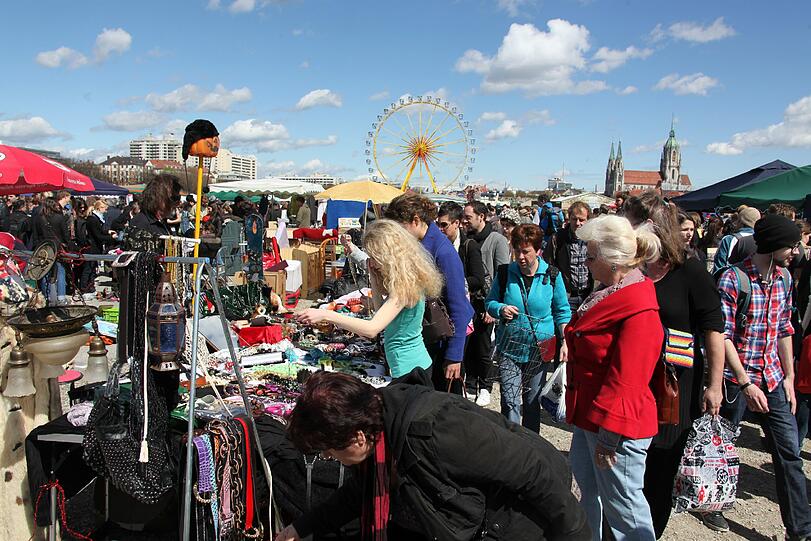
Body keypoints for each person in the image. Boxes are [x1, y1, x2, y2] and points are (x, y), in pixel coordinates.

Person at [274, 370, 591, 541]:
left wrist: (574, 535)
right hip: (473, 521)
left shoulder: (437, 431)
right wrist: (302, 527)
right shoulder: (376, 425)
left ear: (356, 437)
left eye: (328, 450)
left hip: (523, 522)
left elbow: (532, 471)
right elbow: (358, 492)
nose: (328, 458)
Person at [624, 194, 726, 537]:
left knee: (660, 468)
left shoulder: (690, 270)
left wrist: (714, 386)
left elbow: (714, 329)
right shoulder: (631, 269)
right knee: (630, 467)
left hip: (674, 387)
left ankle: (649, 532)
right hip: (633, 381)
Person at [564, 214, 663, 541]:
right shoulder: (613, 293)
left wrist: (609, 436)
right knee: (593, 495)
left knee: (624, 508)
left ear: (612, 260)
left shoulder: (637, 307)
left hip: (615, 426)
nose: (587, 263)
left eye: (591, 257)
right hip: (592, 417)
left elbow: (629, 379)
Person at [713, 214, 811, 539]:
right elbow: (722, 336)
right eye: (791, 245)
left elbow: (785, 328)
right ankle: (714, 505)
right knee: (723, 446)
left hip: (772, 379)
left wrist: (789, 378)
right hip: (735, 381)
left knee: (790, 455)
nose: (796, 252)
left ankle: (799, 530)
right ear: (772, 246)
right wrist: (744, 383)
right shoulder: (733, 279)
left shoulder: (783, 278)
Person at [295, 219, 442, 378]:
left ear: (388, 256)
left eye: (374, 257)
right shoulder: (405, 281)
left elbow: (372, 329)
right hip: (408, 365)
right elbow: (379, 312)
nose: (371, 261)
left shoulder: (404, 287)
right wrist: (373, 275)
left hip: (410, 369)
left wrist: (325, 315)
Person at [486, 224, 571, 432]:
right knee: (510, 400)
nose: (521, 256)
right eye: (517, 250)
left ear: (538, 250)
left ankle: (531, 445)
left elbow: (562, 311)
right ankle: (512, 444)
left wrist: (565, 341)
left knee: (532, 402)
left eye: (526, 251)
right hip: (510, 347)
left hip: (540, 350)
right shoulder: (506, 272)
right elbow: (490, 302)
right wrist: (500, 308)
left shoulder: (552, 275)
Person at [386, 193, 474, 393]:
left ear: (415, 221)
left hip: (442, 342)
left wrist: (454, 356)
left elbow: (460, 307)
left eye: (399, 228)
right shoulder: (419, 245)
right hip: (427, 338)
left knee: (444, 402)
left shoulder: (443, 252)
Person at [437, 202, 488, 403]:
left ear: (457, 224)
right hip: (442, 314)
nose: (440, 230)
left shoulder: (469, 246)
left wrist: (455, 281)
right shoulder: (437, 246)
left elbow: (479, 279)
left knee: (459, 359)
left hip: (463, 312)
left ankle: (459, 399)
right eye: (438, 225)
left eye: (444, 225)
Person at [463, 200, 510, 402]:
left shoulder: (496, 240)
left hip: (486, 302)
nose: (464, 221)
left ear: (481, 217)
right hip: (469, 300)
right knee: (470, 346)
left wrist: (493, 307)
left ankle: (486, 385)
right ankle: (471, 383)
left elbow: (502, 274)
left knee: (483, 347)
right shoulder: (466, 239)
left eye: (468, 217)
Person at [542, 201, 593, 311]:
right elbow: (548, 261)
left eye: (582, 220)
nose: (578, 223)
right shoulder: (558, 238)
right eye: (574, 219)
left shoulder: (593, 239)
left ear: (588, 220)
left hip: (589, 295)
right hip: (567, 296)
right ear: (569, 219)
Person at [34, 198, 71, 304]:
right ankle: (61, 296)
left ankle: (47, 296)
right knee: (60, 271)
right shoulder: (60, 218)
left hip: (44, 248)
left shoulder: (38, 218)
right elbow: (65, 235)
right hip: (58, 247)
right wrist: (69, 246)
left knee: (45, 272)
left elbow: (36, 235)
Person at [712, 206, 760, 274]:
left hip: (732, 280)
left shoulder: (729, 240)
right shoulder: (763, 240)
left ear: (740, 221)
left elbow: (719, 268)